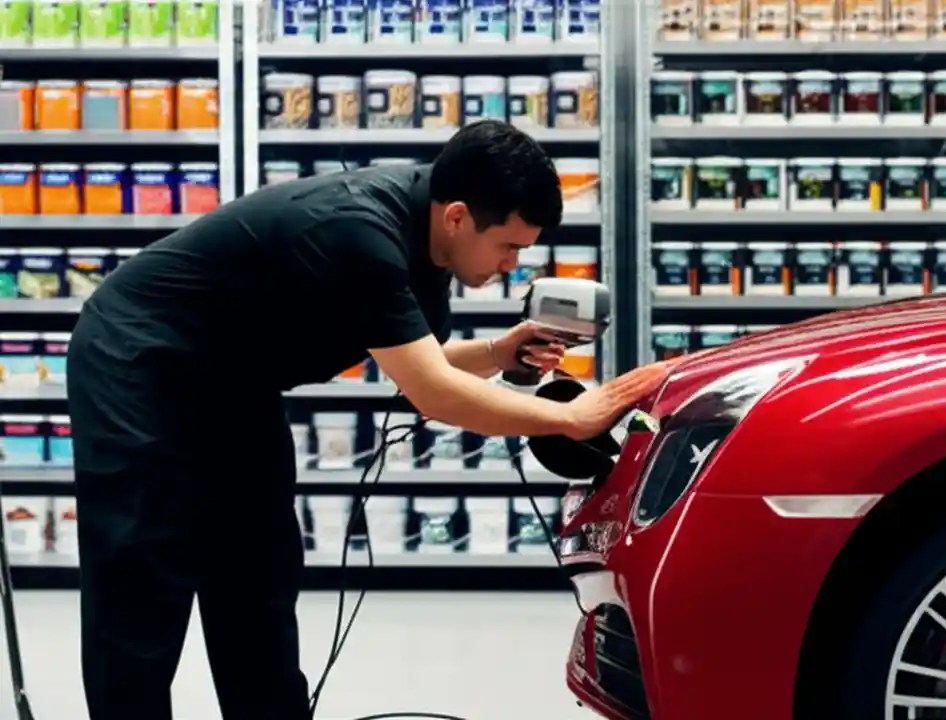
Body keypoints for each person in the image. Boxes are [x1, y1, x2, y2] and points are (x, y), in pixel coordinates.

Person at [65, 119, 673, 720]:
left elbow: (419, 362)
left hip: (234, 380)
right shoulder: (358, 232)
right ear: (458, 217)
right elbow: (432, 393)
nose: (513, 265)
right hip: (138, 358)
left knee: (257, 570)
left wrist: (497, 353)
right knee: (142, 577)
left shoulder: (427, 240)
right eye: (508, 246)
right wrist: (569, 418)